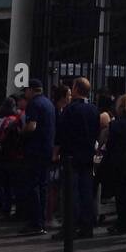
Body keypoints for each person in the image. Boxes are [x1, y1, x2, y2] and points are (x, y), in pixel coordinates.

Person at [55, 78, 99, 239]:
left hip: (71, 156)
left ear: (76, 89)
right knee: (86, 192)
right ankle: (87, 226)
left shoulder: (70, 110)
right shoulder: (93, 110)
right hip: (87, 155)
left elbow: (61, 134)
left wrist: (56, 152)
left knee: (70, 193)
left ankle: (70, 227)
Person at [18, 79, 56, 236]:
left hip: (35, 150)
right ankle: (41, 220)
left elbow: (32, 125)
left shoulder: (34, 104)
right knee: (43, 186)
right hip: (46, 149)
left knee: (32, 186)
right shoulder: (49, 103)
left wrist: (22, 132)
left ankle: (35, 222)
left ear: (32, 90)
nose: (25, 94)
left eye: (26, 90)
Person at [100, 94, 126, 234]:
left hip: (118, 161)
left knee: (121, 194)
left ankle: (122, 224)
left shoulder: (116, 124)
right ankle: (124, 223)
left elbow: (110, 144)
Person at [0, 96, 23, 220]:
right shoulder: (16, 119)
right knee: (10, 185)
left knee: (0, 184)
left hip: (0, 155)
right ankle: (9, 209)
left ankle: (1, 209)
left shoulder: (1, 120)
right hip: (14, 156)